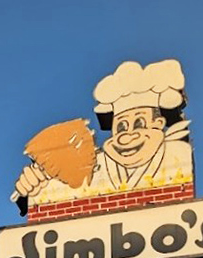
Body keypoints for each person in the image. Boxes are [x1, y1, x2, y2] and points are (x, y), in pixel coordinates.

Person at [14, 59, 193, 206]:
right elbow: (63, 189)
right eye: (121, 127)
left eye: (139, 123)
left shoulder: (175, 156)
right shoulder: (94, 167)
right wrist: (36, 187)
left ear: (159, 123)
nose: (127, 135)